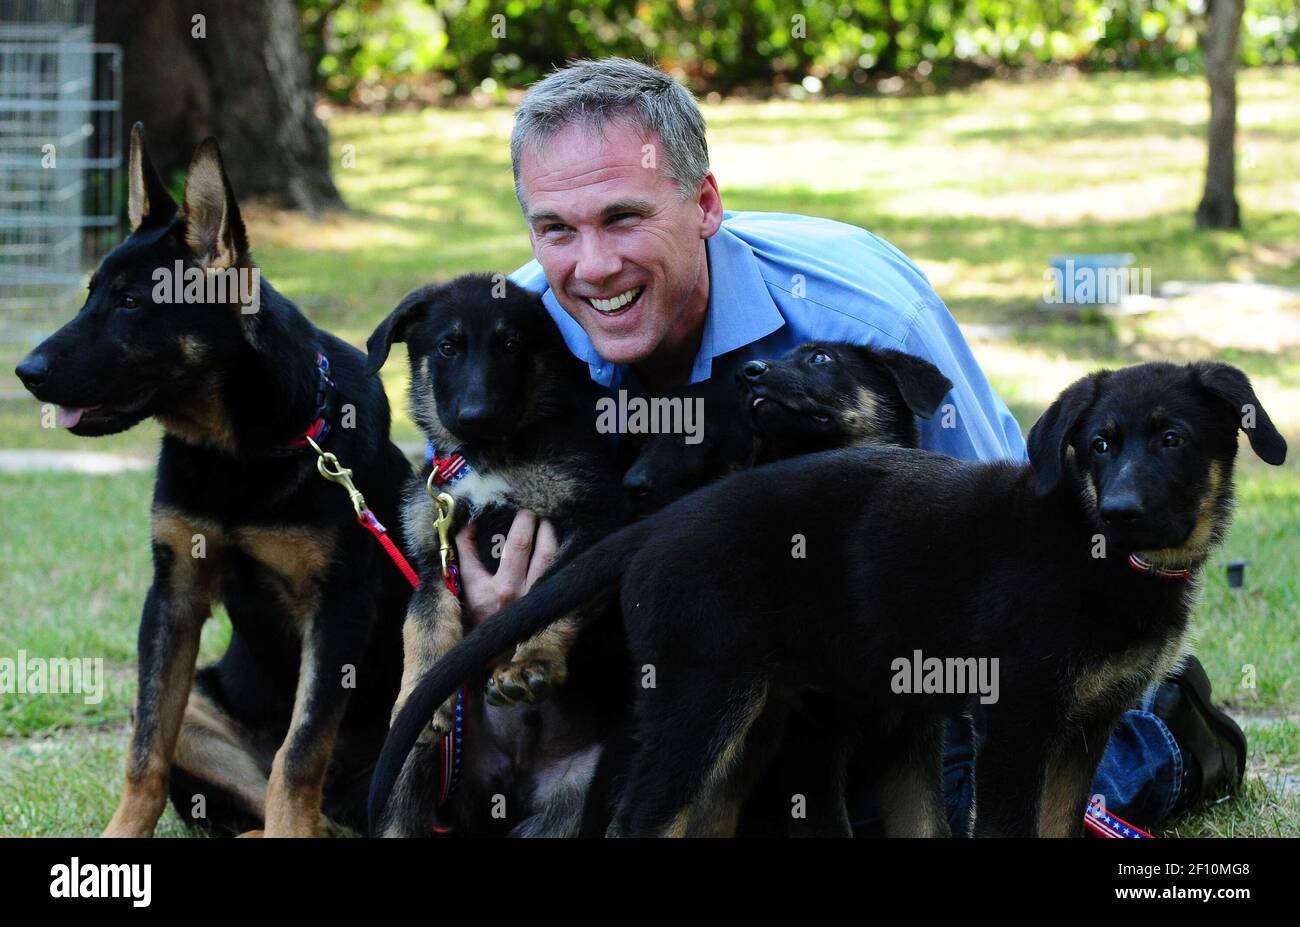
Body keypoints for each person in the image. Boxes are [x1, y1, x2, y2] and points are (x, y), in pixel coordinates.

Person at [451, 56, 1245, 832]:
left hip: (917, 630)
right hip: (701, 615)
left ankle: (1168, 735)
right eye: (556, 229)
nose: (592, 264)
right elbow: (454, 514)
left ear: (704, 203)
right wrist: (480, 597)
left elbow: (999, 544)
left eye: (622, 217)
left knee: (995, 777)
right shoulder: (516, 335)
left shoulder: (868, 327)